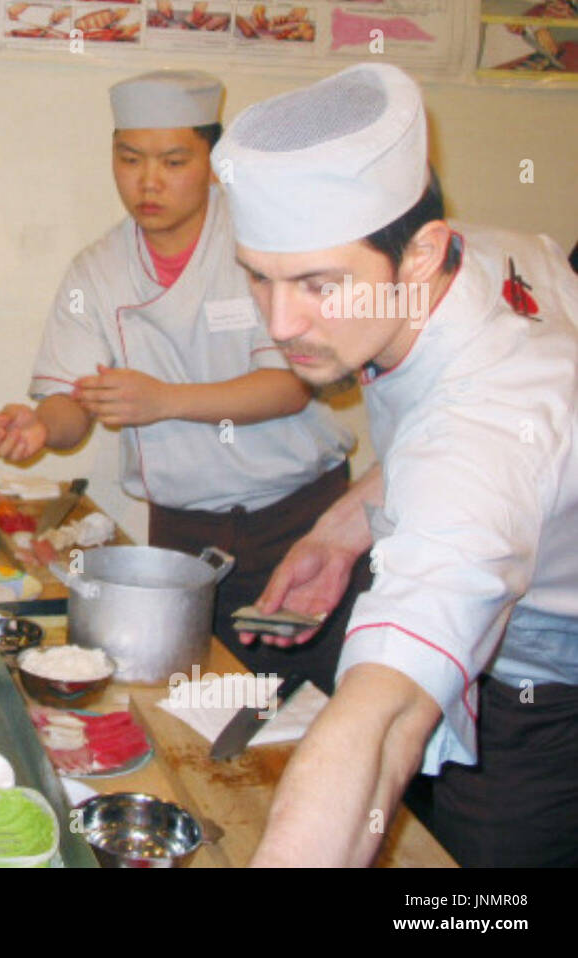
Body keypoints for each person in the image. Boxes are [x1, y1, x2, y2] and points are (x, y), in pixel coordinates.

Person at [215, 62, 578, 866]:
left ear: (418, 256)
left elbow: (381, 719)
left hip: (551, 659)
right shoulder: (473, 258)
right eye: (259, 276)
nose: (283, 322)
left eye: (318, 285)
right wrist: (346, 526)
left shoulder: (484, 426)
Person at [0, 70, 358, 690]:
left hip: (295, 521)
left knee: (298, 715)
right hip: (182, 536)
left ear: (212, 161)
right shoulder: (97, 271)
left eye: (173, 160)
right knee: (190, 706)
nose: (148, 181)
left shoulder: (260, 243)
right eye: (129, 159)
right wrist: (39, 425)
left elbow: (290, 385)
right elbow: (72, 403)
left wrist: (163, 402)